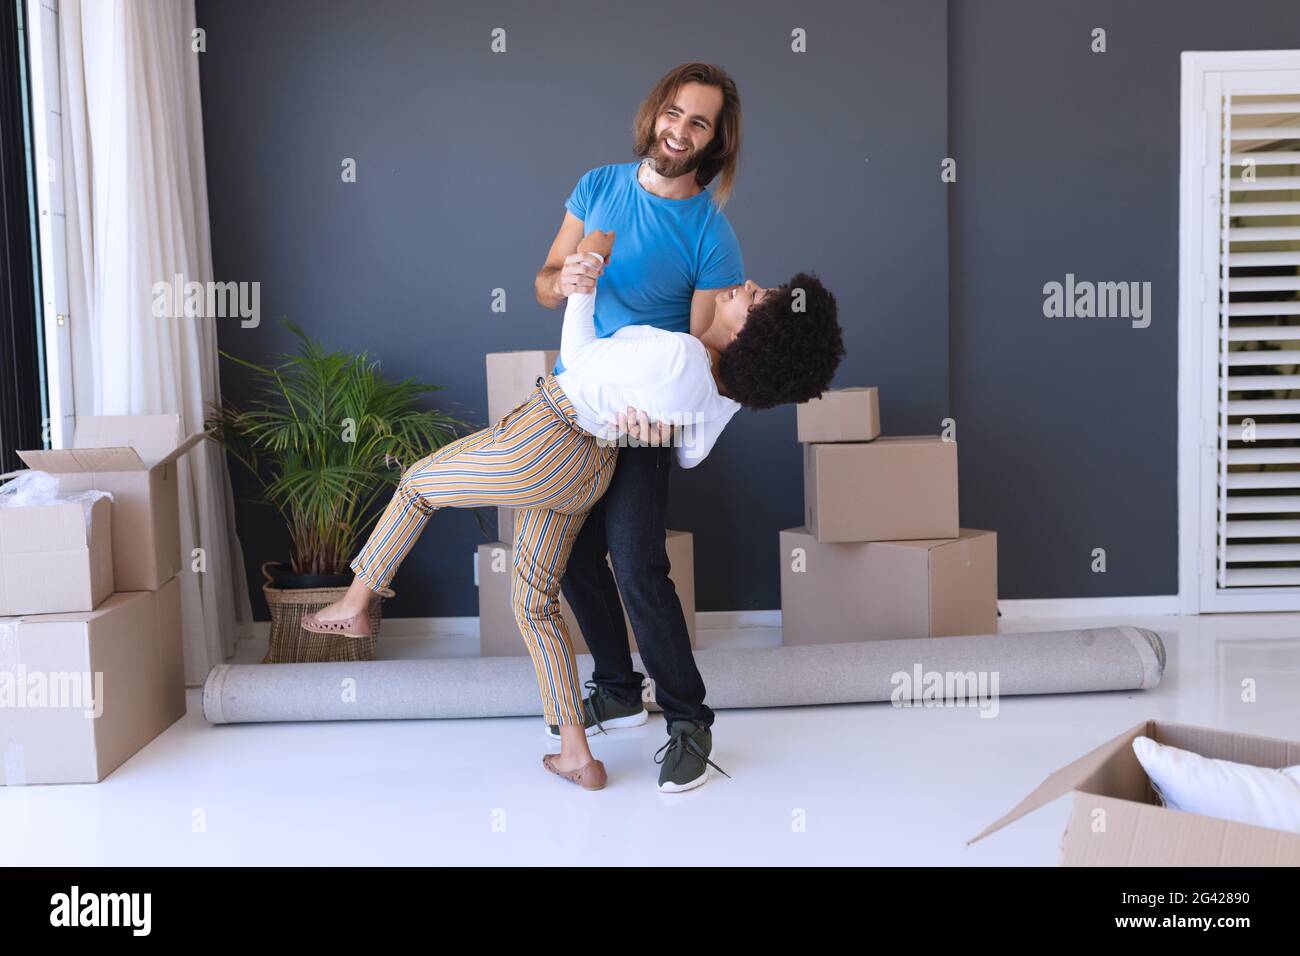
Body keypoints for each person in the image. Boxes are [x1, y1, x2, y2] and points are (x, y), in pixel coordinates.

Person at [303, 230, 844, 792]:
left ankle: (356, 599)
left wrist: (581, 287)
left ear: (748, 334)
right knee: (533, 601)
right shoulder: (722, 392)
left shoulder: (679, 351)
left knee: (417, 484)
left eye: (757, 299)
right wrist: (655, 421)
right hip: (590, 466)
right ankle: (575, 752)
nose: (749, 286)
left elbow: (579, 359)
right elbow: (689, 452)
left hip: (547, 439)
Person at [535, 62, 750, 792]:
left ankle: (690, 718)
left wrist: (658, 418)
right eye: (674, 113)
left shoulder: (711, 236)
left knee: (635, 565)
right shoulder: (598, 187)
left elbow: (698, 353)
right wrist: (563, 283)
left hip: (642, 420)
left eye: (699, 123)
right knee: (565, 558)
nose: (680, 131)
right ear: (656, 112)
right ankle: (620, 693)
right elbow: (542, 279)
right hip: (575, 404)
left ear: (715, 140)